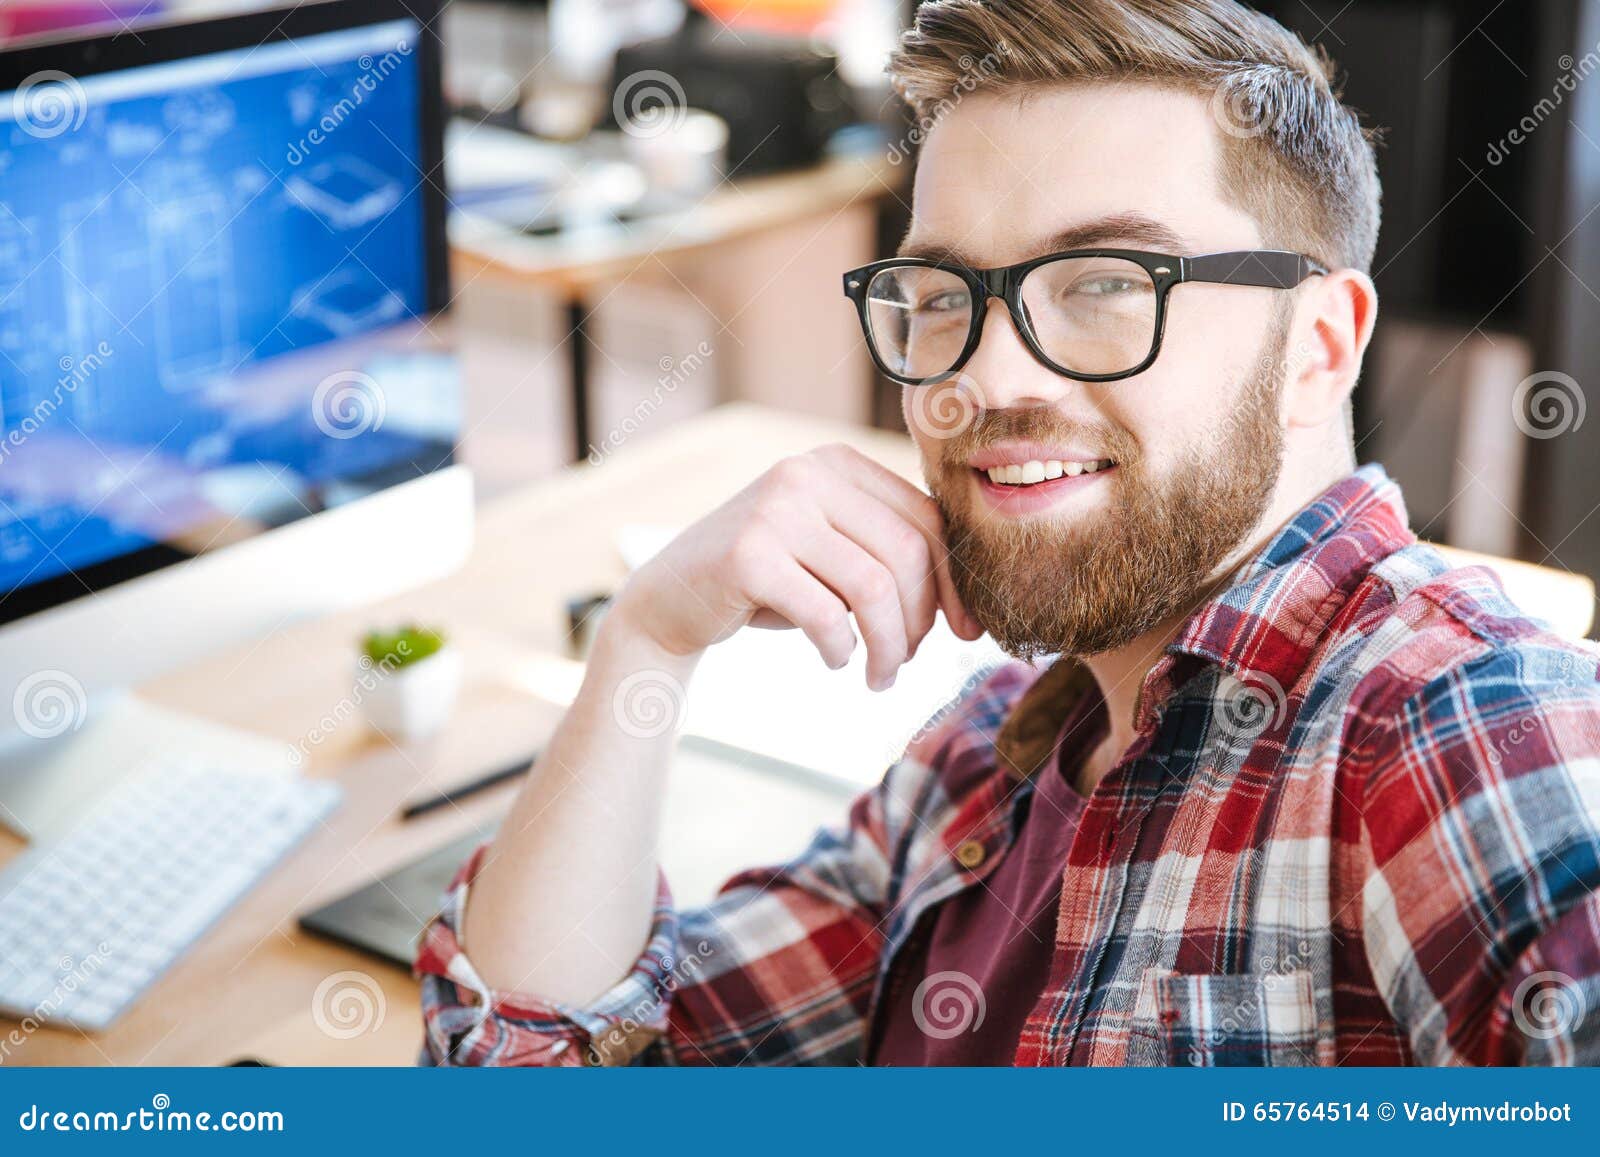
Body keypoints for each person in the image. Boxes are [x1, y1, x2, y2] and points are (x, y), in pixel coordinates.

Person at [418, 0, 1600, 1065]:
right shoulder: (989, 751)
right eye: (943, 297)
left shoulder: (1458, 726)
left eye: (1100, 284)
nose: (979, 377)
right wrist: (647, 640)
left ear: (1320, 345)